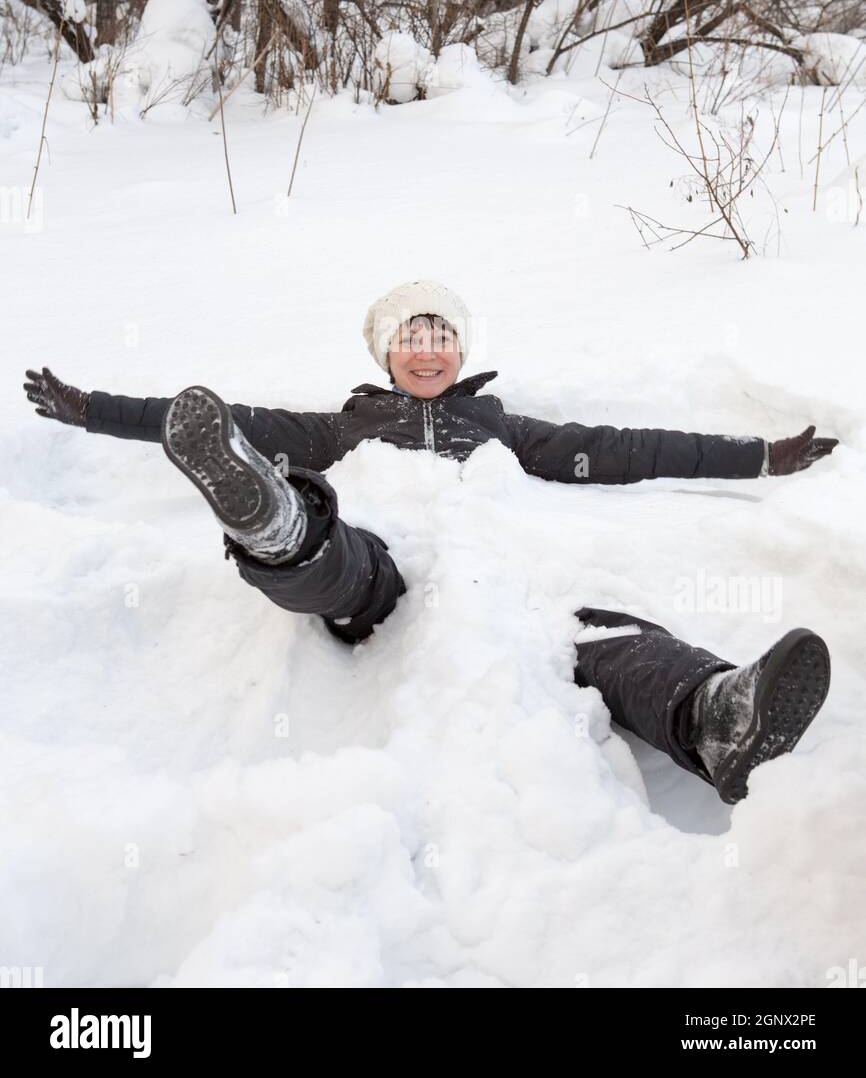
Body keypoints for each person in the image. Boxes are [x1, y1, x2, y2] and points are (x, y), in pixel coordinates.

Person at [23, 279, 838, 805]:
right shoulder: (345, 427)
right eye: (408, 339)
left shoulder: (503, 426)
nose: (425, 350)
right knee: (346, 560)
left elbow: (628, 446)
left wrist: (762, 455)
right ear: (385, 353)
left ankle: (713, 714)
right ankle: (275, 526)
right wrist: (93, 407)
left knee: (603, 632)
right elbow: (220, 421)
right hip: (392, 569)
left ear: (460, 352)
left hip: (511, 576)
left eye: (439, 336)